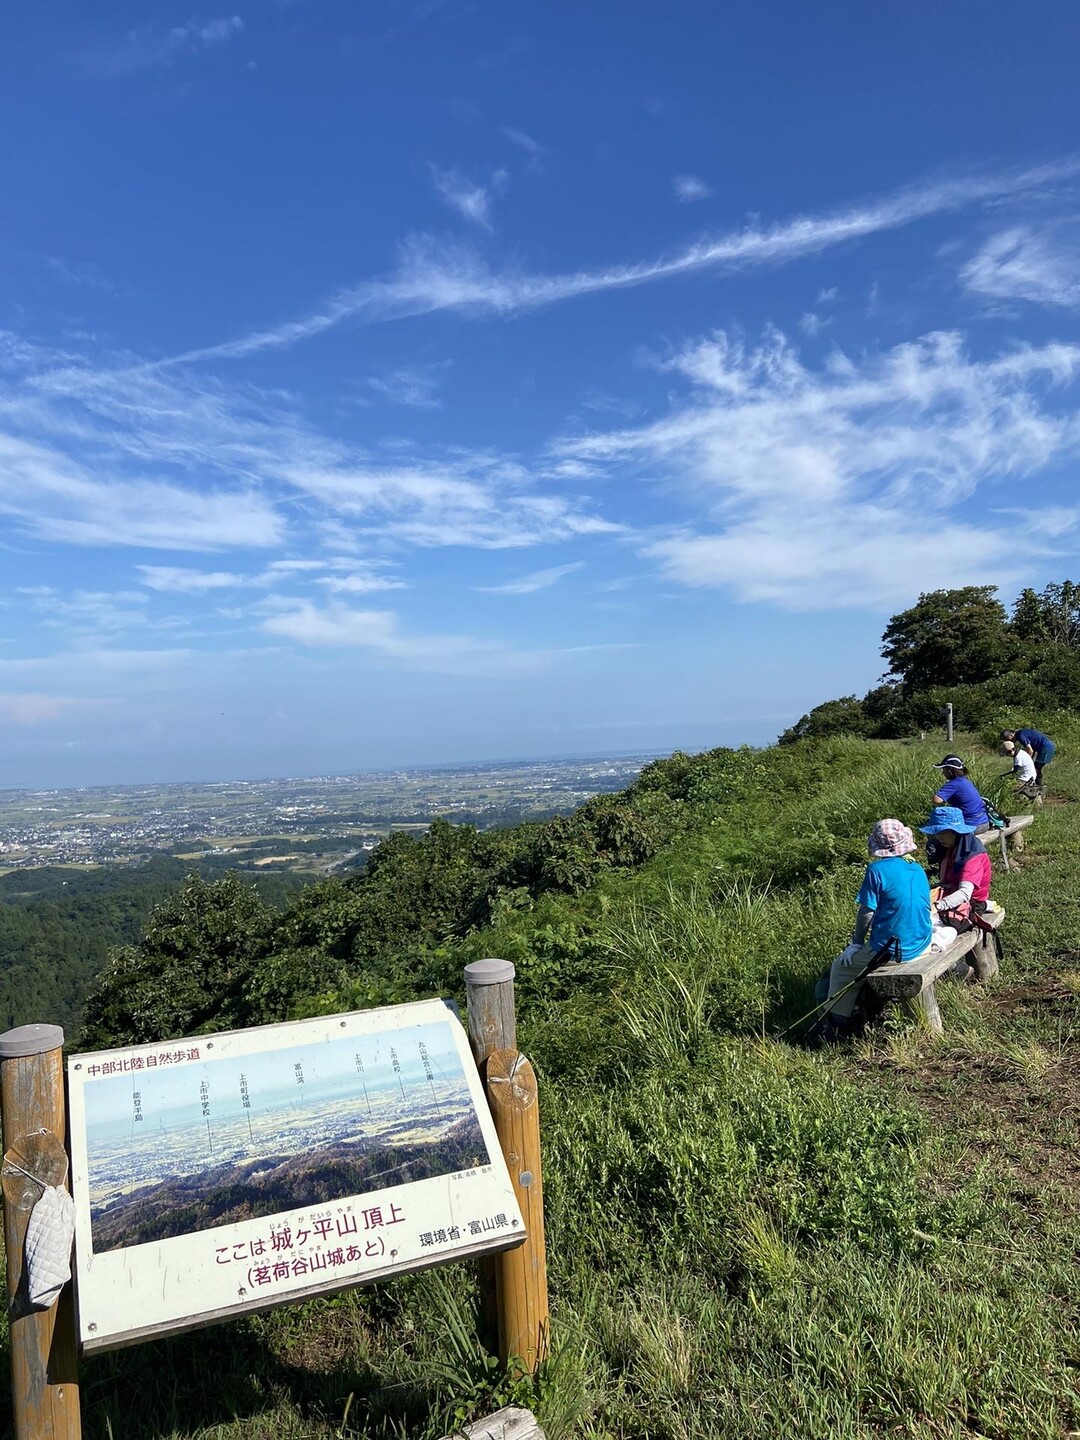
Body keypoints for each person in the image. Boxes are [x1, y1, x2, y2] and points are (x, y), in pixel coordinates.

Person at [821, 819, 936, 1037]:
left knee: (841, 969)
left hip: (894, 951)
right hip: (923, 942)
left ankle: (838, 1025)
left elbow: (867, 912)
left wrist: (855, 943)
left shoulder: (876, 870)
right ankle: (863, 1010)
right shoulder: (917, 868)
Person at [919, 804, 992, 929]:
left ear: (956, 832)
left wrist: (937, 906)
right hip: (949, 890)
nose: (938, 837)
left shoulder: (972, 856)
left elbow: (964, 894)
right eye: (936, 833)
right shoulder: (950, 846)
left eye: (943, 832)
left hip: (972, 902)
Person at [931, 755, 990, 831]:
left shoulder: (954, 784)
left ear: (950, 770)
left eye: (944, 769)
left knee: (938, 837)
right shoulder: (965, 781)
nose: (943, 772)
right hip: (984, 823)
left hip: (972, 825)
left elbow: (936, 800)